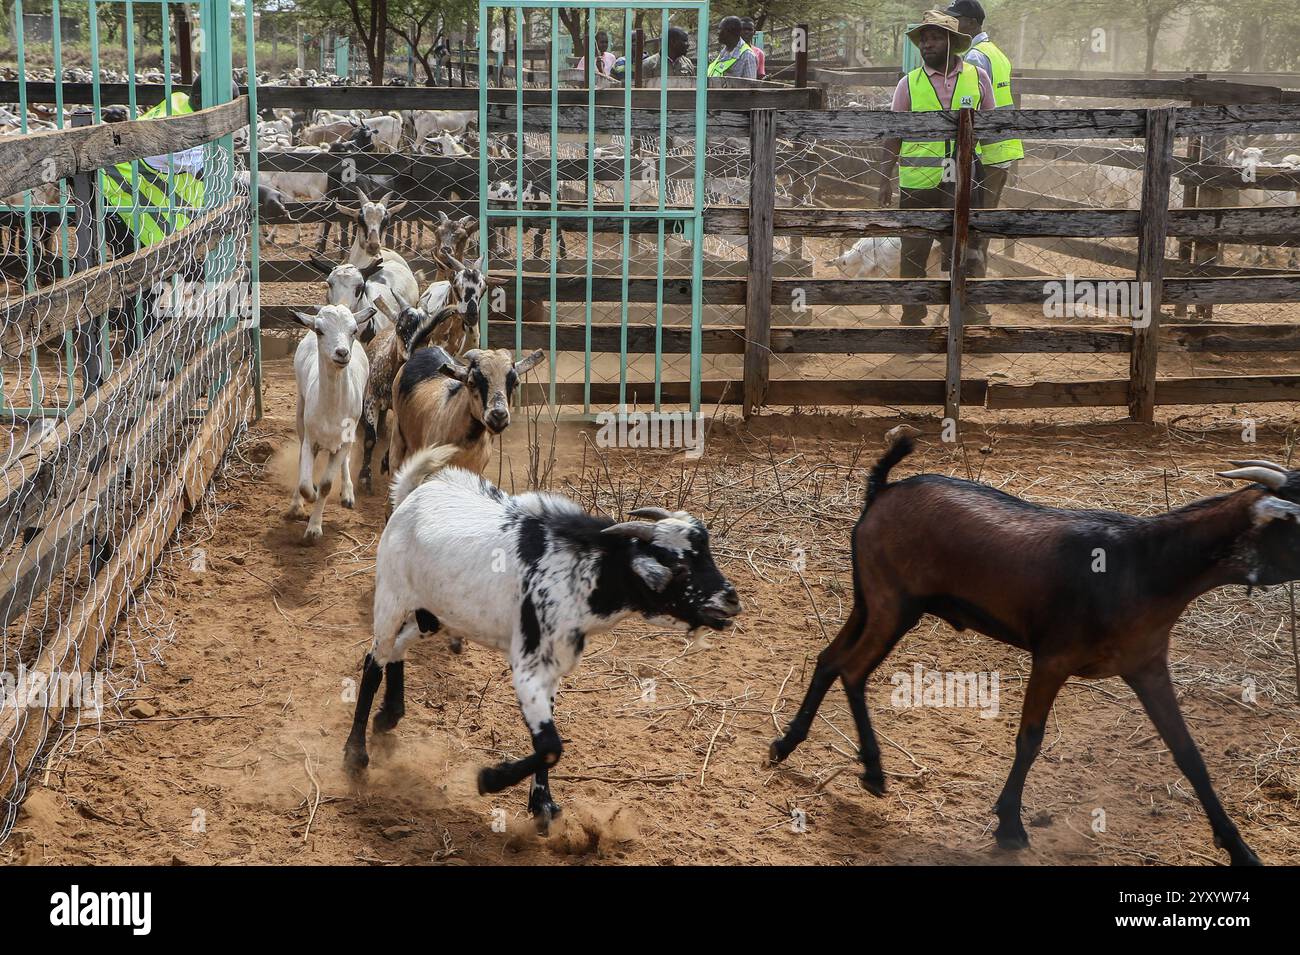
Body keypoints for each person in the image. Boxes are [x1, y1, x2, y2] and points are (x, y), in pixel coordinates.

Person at [883, 10, 994, 326]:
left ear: (951, 42)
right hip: (918, 181)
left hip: (965, 179)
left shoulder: (978, 77)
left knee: (966, 246)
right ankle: (913, 315)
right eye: (923, 39)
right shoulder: (908, 84)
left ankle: (970, 310)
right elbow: (893, 133)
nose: (927, 44)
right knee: (914, 249)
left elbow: (993, 123)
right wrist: (884, 177)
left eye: (934, 38)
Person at [946, 0, 1023, 304]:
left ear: (971, 23)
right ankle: (973, 300)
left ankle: (974, 303)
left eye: (957, 20)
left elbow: (971, 108)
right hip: (1001, 149)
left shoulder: (975, 57)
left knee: (975, 230)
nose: (953, 25)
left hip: (984, 153)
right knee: (981, 228)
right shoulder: (996, 52)